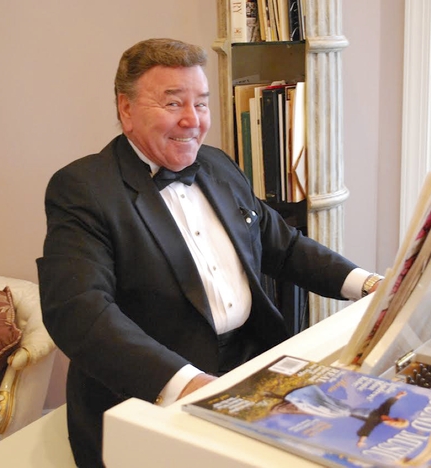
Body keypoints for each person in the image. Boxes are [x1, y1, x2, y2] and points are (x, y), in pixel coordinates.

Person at [37, 37, 383, 467]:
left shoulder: (218, 164)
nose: (192, 120)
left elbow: (283, 246)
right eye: (173, 103)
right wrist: (188, 383)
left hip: (249, 367)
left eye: (201, 104)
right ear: (126, 109)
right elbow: (79, 312)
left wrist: (371, 286)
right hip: (151, 395)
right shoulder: (83, 189)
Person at [270, 387, 409, 447]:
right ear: (395, 419)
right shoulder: (383, 412)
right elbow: (388, 403)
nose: (391, 422)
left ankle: (289, 402)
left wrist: (361, 441)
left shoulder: (375, 421)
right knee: (321, 400)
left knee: (317, 407)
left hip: (340, 412)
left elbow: (367, 430)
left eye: (394, 424)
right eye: (395, 421)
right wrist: (399, 396)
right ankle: (292, 397)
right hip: (344, 407)